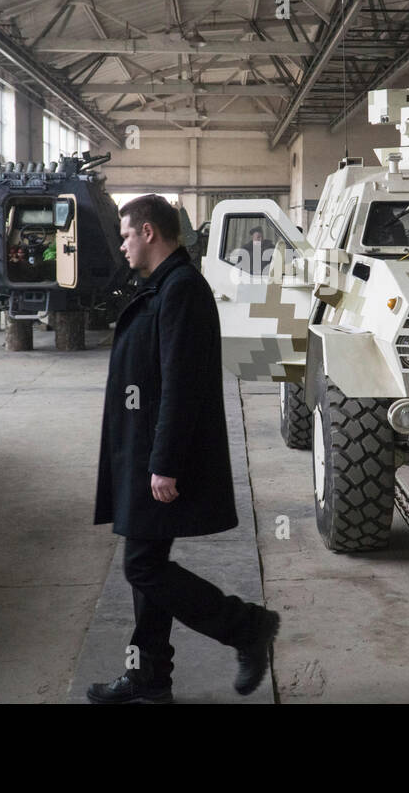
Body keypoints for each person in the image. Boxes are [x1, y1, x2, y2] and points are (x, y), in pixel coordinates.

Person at [89, 194, 279, 704]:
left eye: (127, 235)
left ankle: (245, 626)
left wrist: (165, 463)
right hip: (143, 452)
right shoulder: (161, 286)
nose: (123, 245)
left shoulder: (181, 290)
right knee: (144, 566)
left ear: (149, 232)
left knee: (143, 567)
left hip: (158, 456)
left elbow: (182, 383)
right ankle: (150, 677)